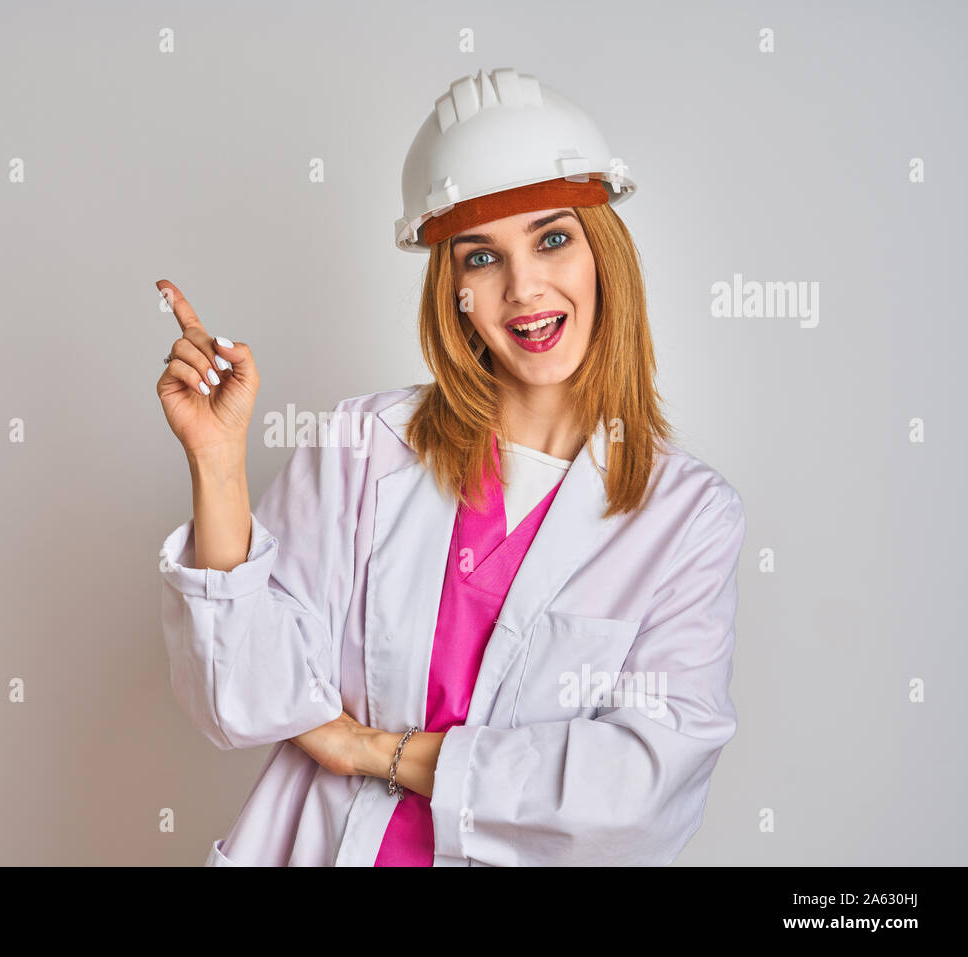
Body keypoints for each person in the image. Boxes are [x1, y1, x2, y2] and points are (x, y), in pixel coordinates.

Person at [154, 68, 747, 866]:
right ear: (452, 289)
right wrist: (217, 462)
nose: (523, 288)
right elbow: (243, 697)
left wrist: (375, 751)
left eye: (552, 237)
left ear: (604, 251)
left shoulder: (689, 516)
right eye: (480, 258)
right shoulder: (367, 445)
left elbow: (637, 798)